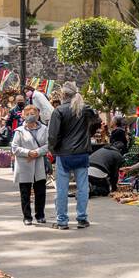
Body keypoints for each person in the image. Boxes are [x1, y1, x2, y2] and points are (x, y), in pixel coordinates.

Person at [48, 81, 97, 230]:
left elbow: (53, 135)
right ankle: (82, 218)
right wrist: (88, 135)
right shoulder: (85, 109)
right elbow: (97, 122)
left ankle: (62, 220)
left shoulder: (59, 111)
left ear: (63, 95)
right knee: (82, 187)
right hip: (82, 153)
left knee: (62, 189)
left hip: (64, 153)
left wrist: (52, 149)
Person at [10, 104, 49, 225]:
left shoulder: (44, 129)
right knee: (25, 193)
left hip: (39, 164)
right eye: (28, 114)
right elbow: (14, 148)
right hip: (24, 165)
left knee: (40, 192)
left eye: (33, 114)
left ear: (38, 115)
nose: (31, 116)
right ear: (23, 116)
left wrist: (37, 152)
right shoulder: (19, 131)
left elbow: (49, 144)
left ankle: (40, 215)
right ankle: (27, 216)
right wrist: (28, 153)